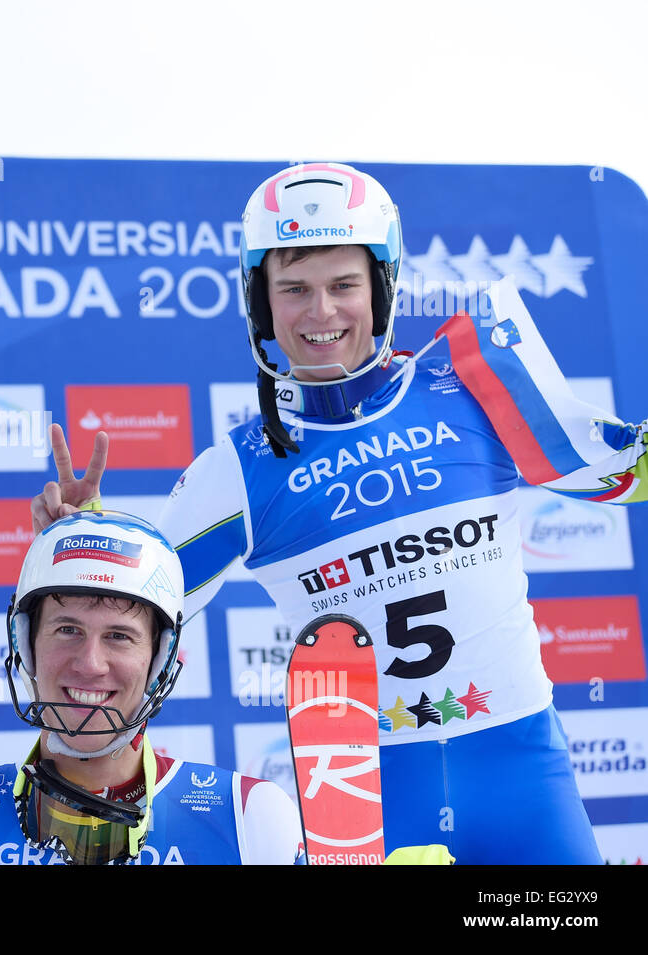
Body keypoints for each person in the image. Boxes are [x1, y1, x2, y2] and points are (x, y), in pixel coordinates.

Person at [33, 162, 646, 864]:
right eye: (293, 289)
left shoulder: (473, 380)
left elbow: (623, 471)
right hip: (364, 799)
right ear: (261, 305)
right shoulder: (238, 468)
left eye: (343, 285)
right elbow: (133, 598)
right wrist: (77, 544)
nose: (320, 312)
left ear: (382, 288)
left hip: (524, 772)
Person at [0, 510, 303, 865]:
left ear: (159, 661)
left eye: (119, 636)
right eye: (67, 629)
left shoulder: (249, 821)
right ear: (25, 646)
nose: (90, 664)